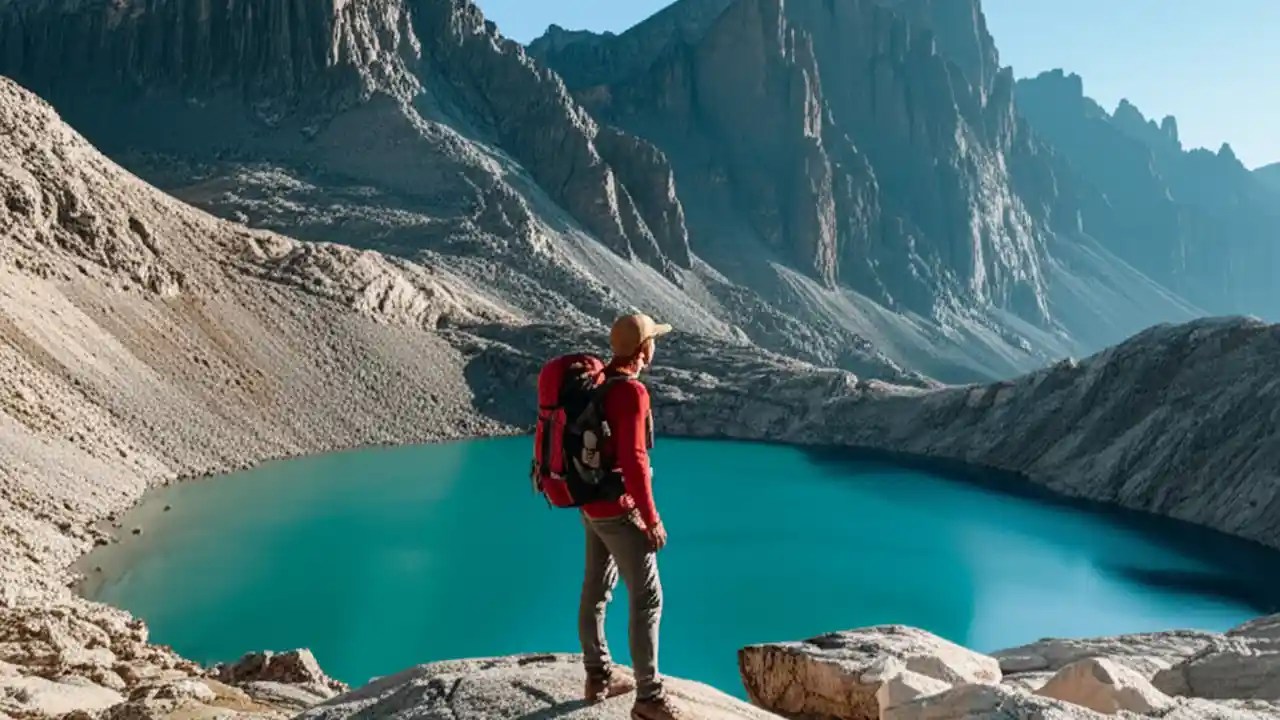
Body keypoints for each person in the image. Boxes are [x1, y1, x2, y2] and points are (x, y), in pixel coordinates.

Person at [578, 313, 685, 720]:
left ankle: (598, 676)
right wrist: (651, 518)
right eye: (654, 340)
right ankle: (649, 698)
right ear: (643, 350)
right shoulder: (632, 392)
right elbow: (635, 459)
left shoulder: (598, 382)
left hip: (591, 505)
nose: (655, 346)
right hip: (619, 509)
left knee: (596, 590)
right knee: (647, 599)